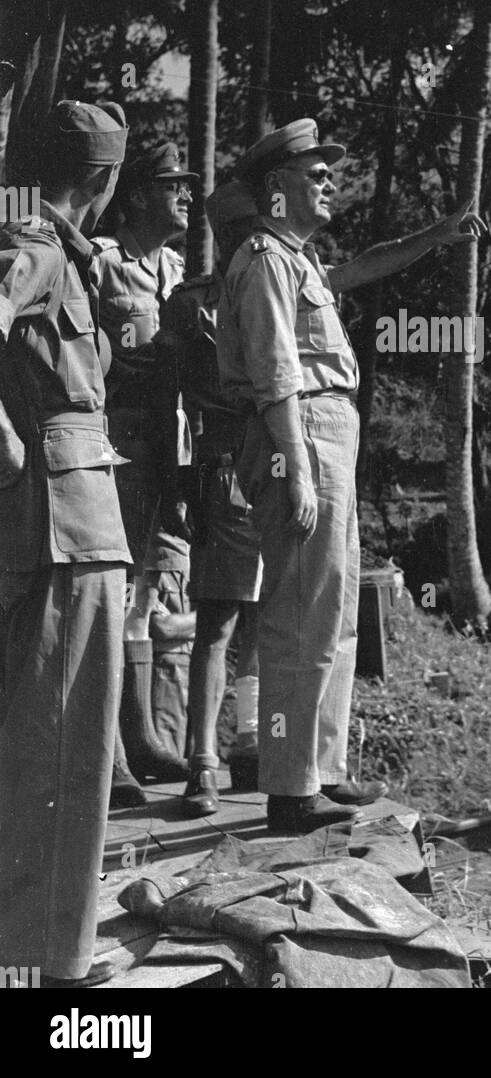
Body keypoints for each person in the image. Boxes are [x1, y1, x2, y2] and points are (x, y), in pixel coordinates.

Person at [218, 117, 484, 834]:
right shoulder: (266, 260)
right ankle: (289, 787)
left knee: (332, 615)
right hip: (297, 432)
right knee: (300, 614)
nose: (329, 180)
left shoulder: (297, 260)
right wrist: (296, 468)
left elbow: (365, 265)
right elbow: (275, 372)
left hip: (327, 432)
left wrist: (436, 236)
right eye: (316, 172)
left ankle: (320, 772)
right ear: (277, 187)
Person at [0, 99, 132, 987]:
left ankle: (45, 945)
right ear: (105, 177)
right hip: (63, 516)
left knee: (49, 736)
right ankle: (50, 958)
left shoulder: (60, 250)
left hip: (67, 506)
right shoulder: (40, 249)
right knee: (64, 740)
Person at [93, 143, 197, 803]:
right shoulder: (103, 264)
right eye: (171, 184)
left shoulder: (180, 270)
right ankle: (118, 754)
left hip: (174, 448)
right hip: (122, 444)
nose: (186, 194)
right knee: (118, 596)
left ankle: (161, 740)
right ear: (134, 197)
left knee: (163, 593)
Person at [155, 181, 262, 819]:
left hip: (284, 465)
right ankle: (203, 764)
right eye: (244, 231)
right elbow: (170, 397)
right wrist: (174, 484)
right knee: (217, 624)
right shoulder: (193, 303)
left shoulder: (284, 284)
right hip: (226, 471)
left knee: (266, 619)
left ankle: (253, 744)